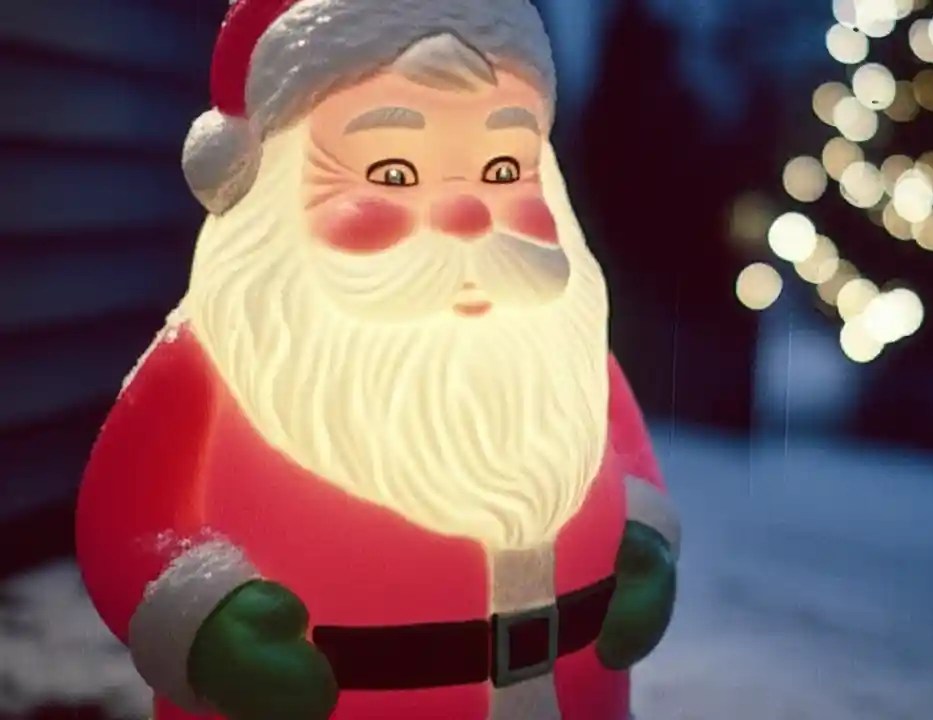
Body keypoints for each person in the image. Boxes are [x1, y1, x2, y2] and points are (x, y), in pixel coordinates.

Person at [75, 1, 680, 718]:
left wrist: (644, 540)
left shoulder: (561, 350)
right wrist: (201, 623)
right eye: (393, 172)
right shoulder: (210, 368)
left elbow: (632, 464)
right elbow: (126, 523)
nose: (467, 216)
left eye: (500, 168)